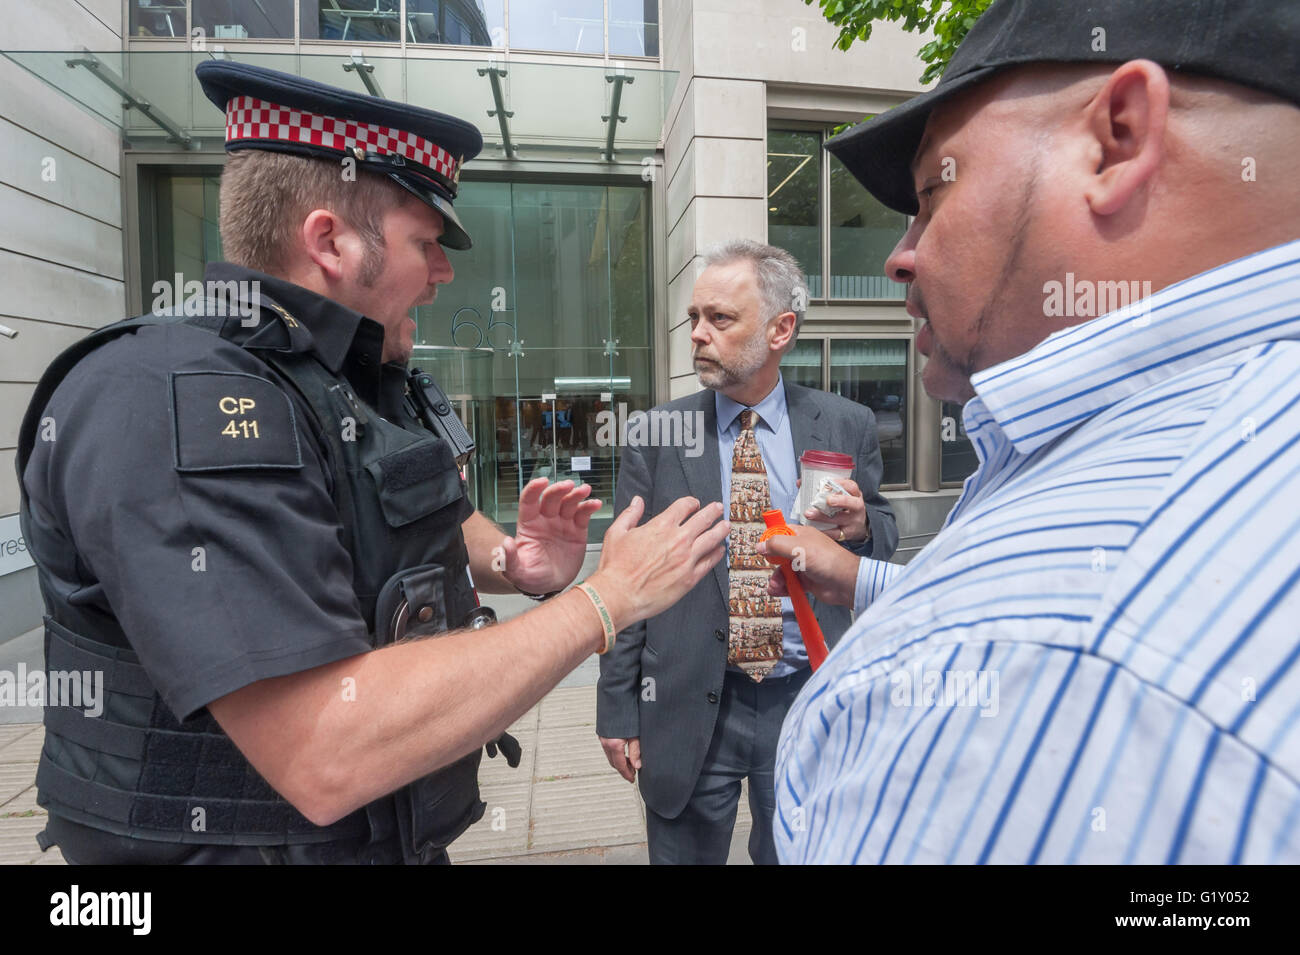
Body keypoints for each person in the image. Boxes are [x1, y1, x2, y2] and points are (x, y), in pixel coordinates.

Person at [16, 61, 729, 865]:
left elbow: (391, 513)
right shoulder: (172, 402)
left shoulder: (333, 384)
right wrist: (606, 600)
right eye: (426, 240)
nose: (446, 270)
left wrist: (513, 561)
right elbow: (326, 748)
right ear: (329, 240)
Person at [764, 0, 1300, 863]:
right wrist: (867, 582)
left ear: (1118, 138)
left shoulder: (1029, 658)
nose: (901, 255)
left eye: (934, 190)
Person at [596, 239, 898, 864]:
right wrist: (618, 708)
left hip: (805, 693)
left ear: (781, 329)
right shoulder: (657, 435)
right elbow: (625, 583)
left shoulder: (846, 423)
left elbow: (885, 536)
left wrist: (864, 523)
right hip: (690, 697)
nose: (698, 335)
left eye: (720, 319)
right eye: (693, 319)